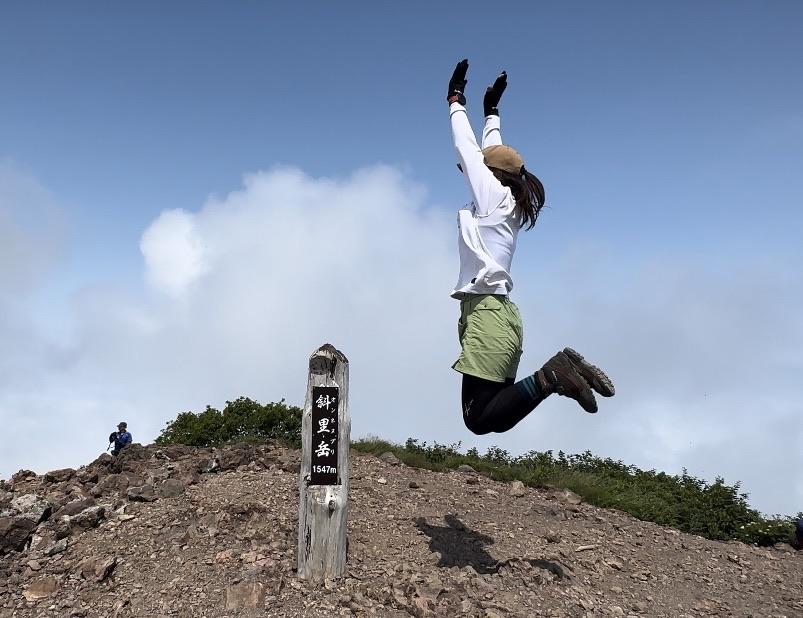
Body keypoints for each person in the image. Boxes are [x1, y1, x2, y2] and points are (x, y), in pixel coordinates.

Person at [446, 59, 615, 435]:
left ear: (489, 176)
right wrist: (491, 112)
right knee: (494, 415)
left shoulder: (492, 199)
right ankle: (559, 371)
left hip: (488, 315)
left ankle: (553, 374)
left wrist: (455, 101)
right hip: (500, 316)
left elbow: (469, 149)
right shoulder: (508, 198)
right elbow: (494, 152)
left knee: (479, 418)